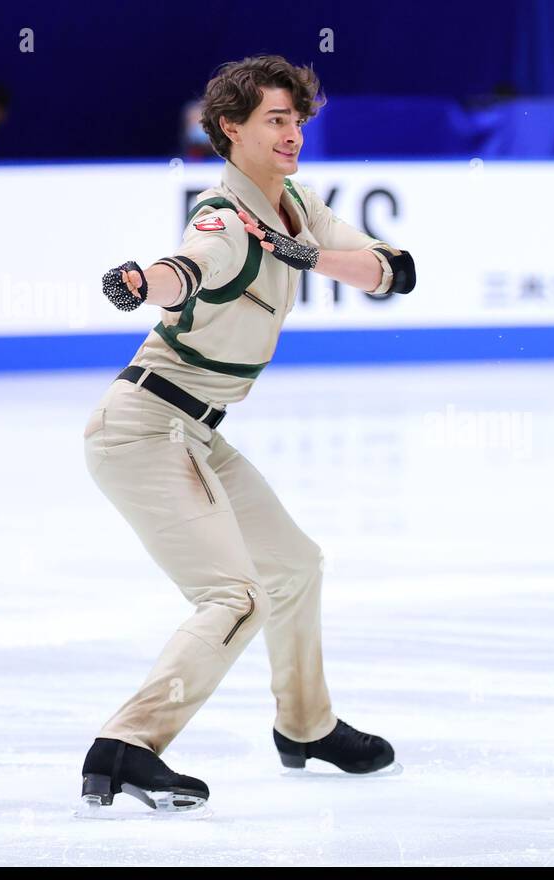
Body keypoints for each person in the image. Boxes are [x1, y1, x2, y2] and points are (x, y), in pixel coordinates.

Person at [82, 53, 416, 813]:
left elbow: (391, 270)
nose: (292, 131)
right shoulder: (225, 218)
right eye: (275, 119)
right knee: (234, 597)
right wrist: (142, 282)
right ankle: (127, 744)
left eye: (296, 117)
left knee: (292, 566)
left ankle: (306, 725)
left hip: (195, 431)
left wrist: (308, 254)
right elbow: (190, 266)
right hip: (144, 428)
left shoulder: (294, 203)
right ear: (230, 129)